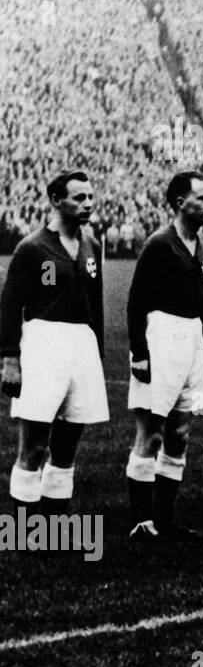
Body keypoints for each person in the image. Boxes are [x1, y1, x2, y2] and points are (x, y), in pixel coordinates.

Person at [0, 171, 108, 513]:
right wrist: (9, 359)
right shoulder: (32, 247)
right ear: (55, 200)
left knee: (67, 444)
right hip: (44, 341)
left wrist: (98, 353)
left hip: (81, 343)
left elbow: (96, 305)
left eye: (90, 197)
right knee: (33, 444)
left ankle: (55, 526)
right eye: (78, 198)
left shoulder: (92, 245)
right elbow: (9, 305)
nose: (87, 204)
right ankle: (29, 530)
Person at [123, 170, 203, 540]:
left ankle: (165, 517)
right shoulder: (160, 243)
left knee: (181, 431)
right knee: (152, 432)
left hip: (193, 341)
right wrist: (139, 354)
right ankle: (142, 521)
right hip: (161, 337)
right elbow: (135, 301)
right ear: (180, 203)